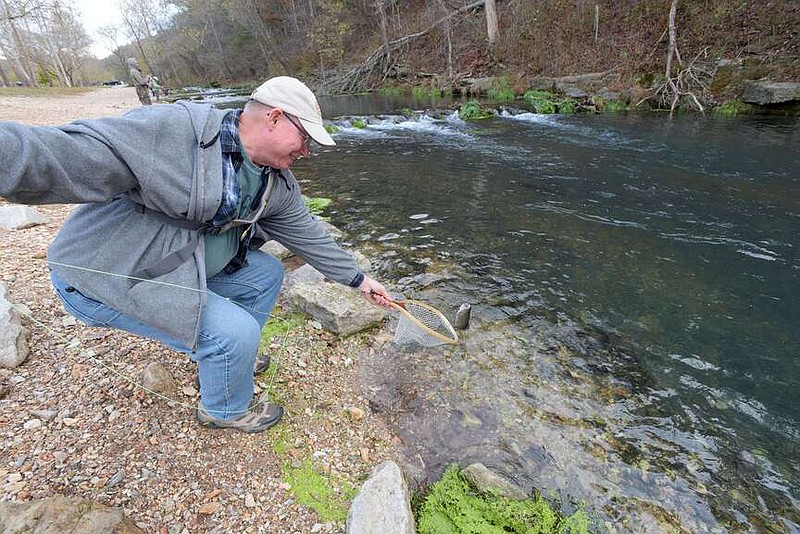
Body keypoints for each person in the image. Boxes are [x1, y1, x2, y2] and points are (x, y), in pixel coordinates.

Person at [0, 76, 392, 433]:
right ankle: (224, 409)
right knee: (235, 332)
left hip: (186, 268)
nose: (307, 152)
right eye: (305, 139)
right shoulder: (172, 133)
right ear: (274, 118)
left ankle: (225, 360)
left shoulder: (277, 183)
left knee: (267, 273)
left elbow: (308, 236)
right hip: (106, 277)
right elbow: (61, 153)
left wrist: (359, 280)